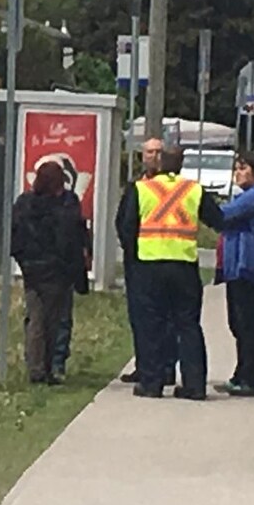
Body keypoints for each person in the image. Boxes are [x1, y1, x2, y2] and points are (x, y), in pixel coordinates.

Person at [122, 144, 224, 400]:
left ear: (158, 164)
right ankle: (194, 385)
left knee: (151, 325)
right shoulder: (193, 189)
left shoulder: (140, 189)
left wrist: (133, 254)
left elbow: (125, 226)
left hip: (149, 265)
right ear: (181, 165)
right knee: (188, 325)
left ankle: (151, 383)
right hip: (184, 266)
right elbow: (218, 220)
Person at [11, 161, 90, 385]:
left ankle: (35, 367)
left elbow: (15, 235)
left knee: (35, 317)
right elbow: (72, 239)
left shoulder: (25, 203)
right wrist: (75, 271)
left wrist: (22, 259)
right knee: (54, 320)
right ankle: (48, 367)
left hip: (32, 270)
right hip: (57, 272)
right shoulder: (65, 205)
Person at [117, 138, 179, 387]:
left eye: (158, 152)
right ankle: (145, 365)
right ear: (142, 156)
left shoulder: (175, 187)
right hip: (140, 260)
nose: (154, 156)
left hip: (168, 258)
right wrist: (131, 251)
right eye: (150, 152)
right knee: (141, 317)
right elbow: (123, 221)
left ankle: (165, 367)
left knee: (167, 319)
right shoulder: (137, 186)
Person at [213, 153, 254, 397]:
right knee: (237, 323)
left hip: (250, 267)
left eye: (243, 168)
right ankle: (240, 373)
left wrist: (203, 203)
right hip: (236, 268)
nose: (237, 173)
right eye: (236, 168)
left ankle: (250, 378)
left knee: (247, 324)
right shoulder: (245, 196)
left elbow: (223, 215)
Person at [49, 185, 91, 381]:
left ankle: (57, 362)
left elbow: (78, 232)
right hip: (43, 267)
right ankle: (41, 362)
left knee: (62, 317)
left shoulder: (69, 201)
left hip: (63, 268)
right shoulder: (30, 202)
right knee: (42, 317)